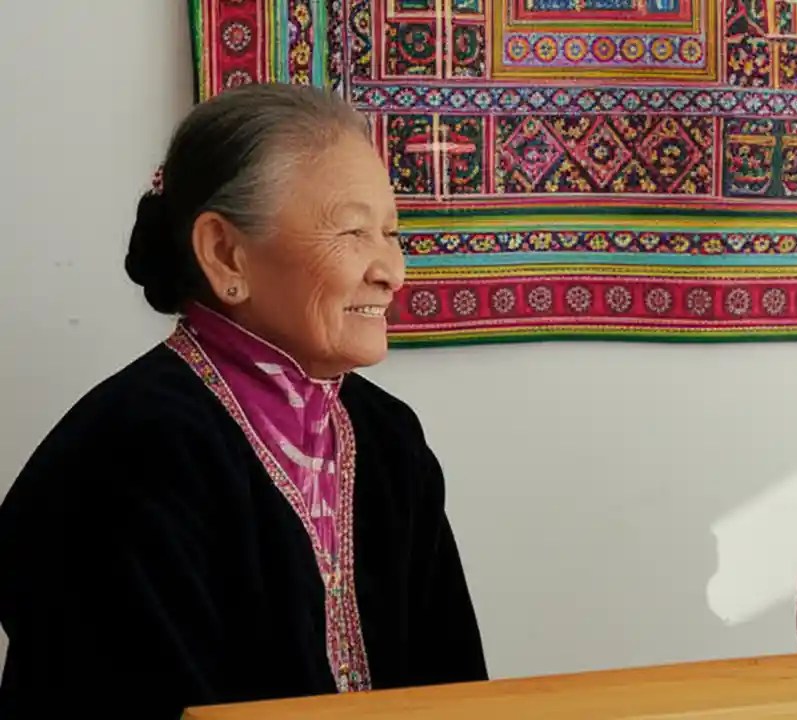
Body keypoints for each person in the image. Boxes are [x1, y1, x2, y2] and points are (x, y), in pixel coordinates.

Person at [0, 83, 487, 717]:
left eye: (392, 233)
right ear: (226, 253)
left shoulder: (388, 439)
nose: (391, 270)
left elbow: (457, 695)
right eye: (352, 232)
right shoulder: (132, 453)